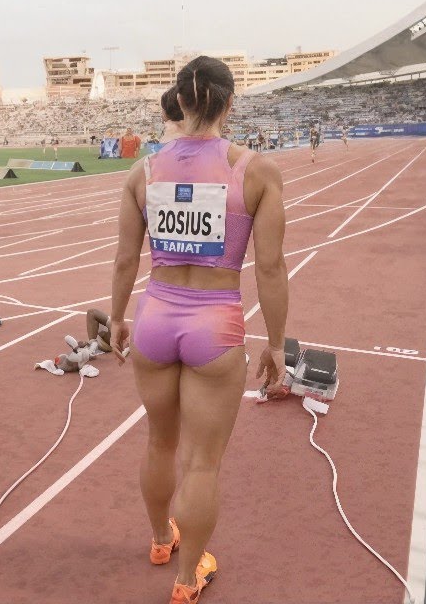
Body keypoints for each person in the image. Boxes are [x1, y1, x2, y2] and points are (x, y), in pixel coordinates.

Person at [109, 56, 288, 604]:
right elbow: (270, 267)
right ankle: (187, 579)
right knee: (203, 461)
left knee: (160, 441)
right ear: (230, 103)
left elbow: (123, 260)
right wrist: (277, 344)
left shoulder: (144, 171)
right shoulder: (254, 170)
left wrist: (116, 317)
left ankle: (162, 538)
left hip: (155, 317)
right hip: (215, 322)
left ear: (180, 104)